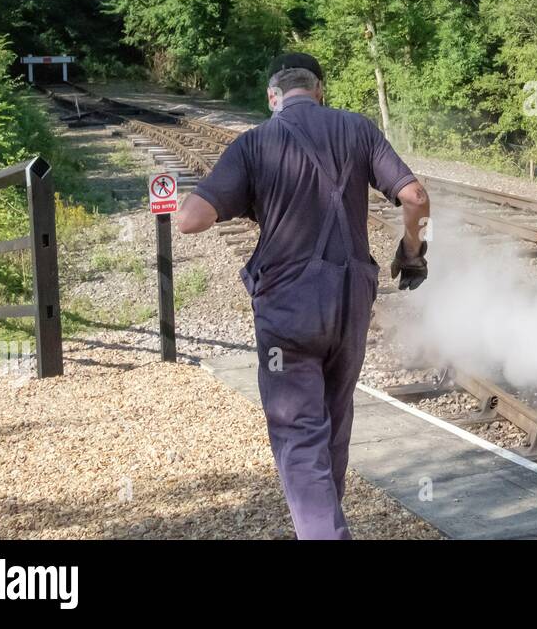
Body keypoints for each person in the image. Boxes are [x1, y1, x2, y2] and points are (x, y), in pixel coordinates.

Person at [174, 52, 430, 539]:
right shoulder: (357, 128)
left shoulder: (255, 144)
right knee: (333, 424)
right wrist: (413, 250)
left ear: (273, 97)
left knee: (297, 434)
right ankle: (323, 526)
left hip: (287, 310)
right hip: (351, 300)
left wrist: (241, 200)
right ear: (320, 90)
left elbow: (190, 220)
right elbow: (415, 198)